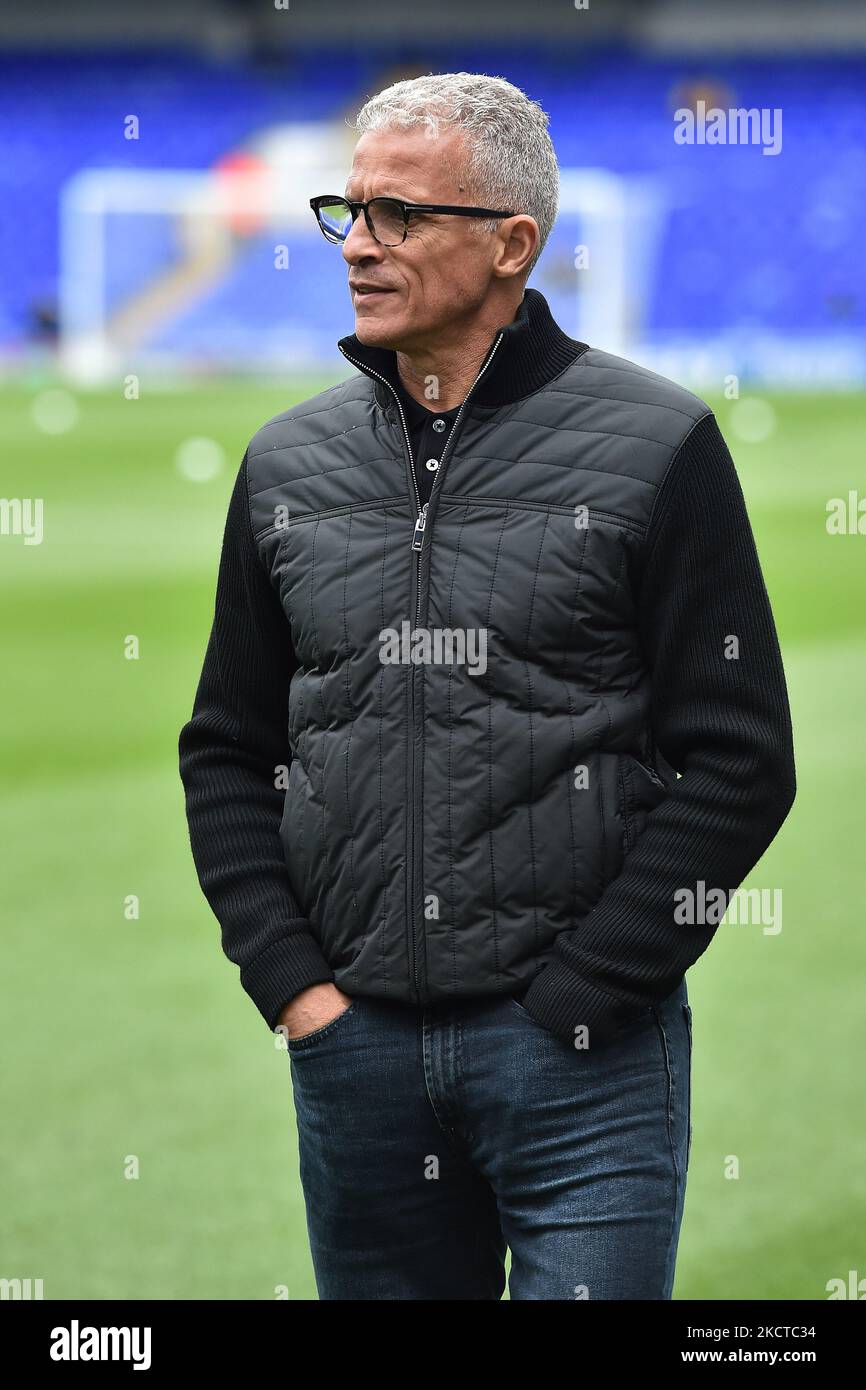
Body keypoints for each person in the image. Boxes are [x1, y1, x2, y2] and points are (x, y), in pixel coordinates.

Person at [178, 72, 796, 1300]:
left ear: (512, 243)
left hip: (582, 1058)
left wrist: (586, 993)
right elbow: (226, 746)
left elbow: (737, 756)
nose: (357, 244)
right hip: (353, 1056)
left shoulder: (657, 446)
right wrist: (296, 987)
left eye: (400, 215)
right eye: (346, 211)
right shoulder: (285, 463)